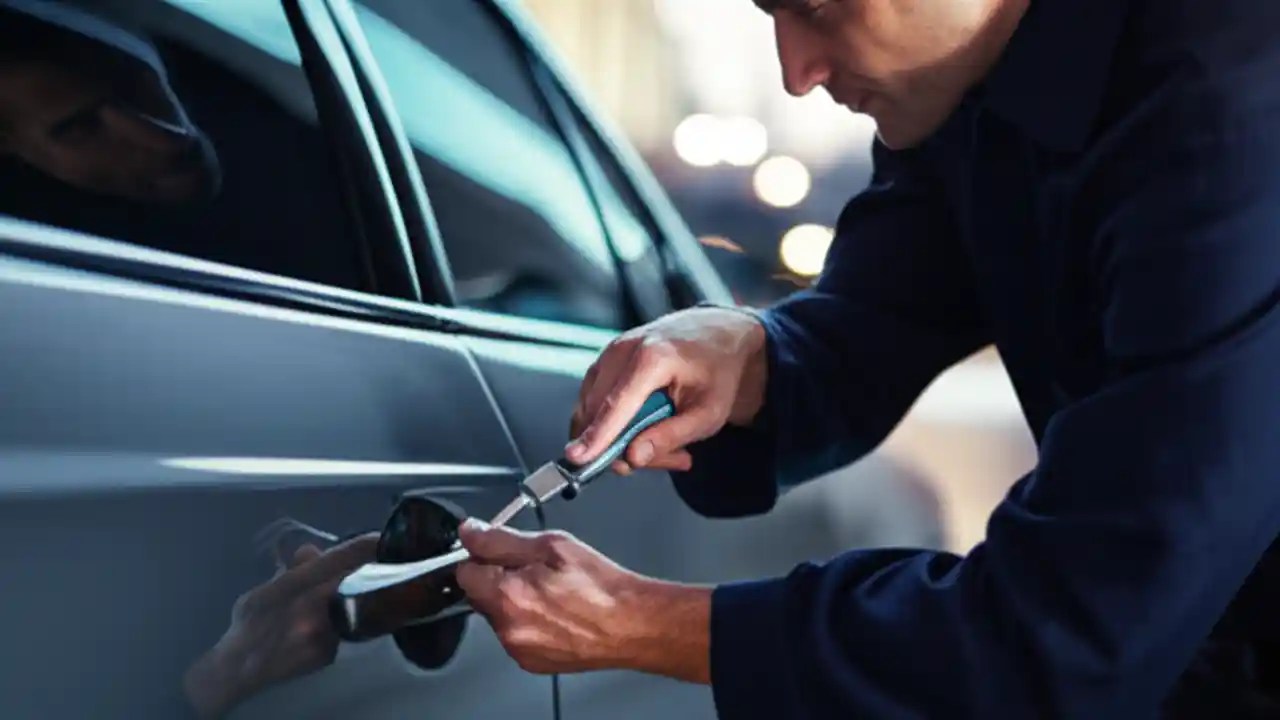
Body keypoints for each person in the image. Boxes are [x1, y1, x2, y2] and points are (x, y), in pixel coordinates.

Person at [454, 0, 1280, 717]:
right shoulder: (967, 85)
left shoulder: (1230, 123)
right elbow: (878, 312)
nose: (796, 73)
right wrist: (744, 352)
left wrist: (648, 623)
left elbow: (1080, 621)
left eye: (819, 8)